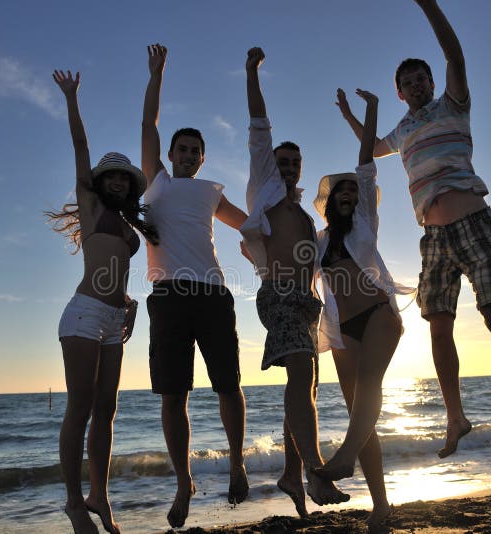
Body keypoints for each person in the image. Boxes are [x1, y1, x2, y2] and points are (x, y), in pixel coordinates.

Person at [336, 0, 491, 467]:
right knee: (437, 324)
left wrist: (427, 6)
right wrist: (353, 113)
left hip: (472, 221)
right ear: (399, 93)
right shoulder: (403, 128)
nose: (415, 85)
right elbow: (370, 147)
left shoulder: (453, 104)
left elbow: (456, 56)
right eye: (406, 82)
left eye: (421, 78)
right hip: (432, 238)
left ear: (432, 82)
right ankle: (456, 417)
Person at [141, 44, 250, 529]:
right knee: (173, 393)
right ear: (170, 156)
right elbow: (148, 127)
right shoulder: (158, 184)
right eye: (180, 150)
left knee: (229, 384)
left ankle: (237, 462)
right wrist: (157, 75)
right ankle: (183, 482)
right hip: (167, 297)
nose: (186, 156)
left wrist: (288, 248)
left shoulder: (209, 191)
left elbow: (248, 227)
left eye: (193, 152)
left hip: (211, 294)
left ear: (202, 159)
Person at [47, 70, 159, 534]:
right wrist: (72, 99)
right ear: (101, 182)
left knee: (107, 411)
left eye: (122, 178)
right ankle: (74, 503)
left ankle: (100, 495)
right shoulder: (92, 208)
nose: (116, 182)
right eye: (109, 176)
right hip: (84, 313)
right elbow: (78, 148)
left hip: (115, 318)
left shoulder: (130, 224)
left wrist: (129, 303)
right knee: (80, 405)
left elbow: (119, 272)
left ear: (129, 185)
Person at [240, 47, 349, 518]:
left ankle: (290, 472)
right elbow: (259, 129)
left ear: (301, 170)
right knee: (302, 376)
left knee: (305, 389)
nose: (286, 169)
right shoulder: (265, 195)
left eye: (293, 164)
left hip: (307, 305)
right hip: (276, 294)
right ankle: (316, 471)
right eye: (281, 162)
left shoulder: (305, 216)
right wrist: (252, 73)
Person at [312, 88, 413, 531]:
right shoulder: (317, 242)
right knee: (360, 415)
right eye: (343, 190)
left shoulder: (366, 221)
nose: (351, 191)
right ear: (331, 199)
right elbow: (289, 270)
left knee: (370, 388)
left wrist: (368, 112)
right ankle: (381, 506)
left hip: (378, 314)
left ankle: (344, 459)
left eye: (355, 188)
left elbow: (366, 165)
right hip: (341, 329)